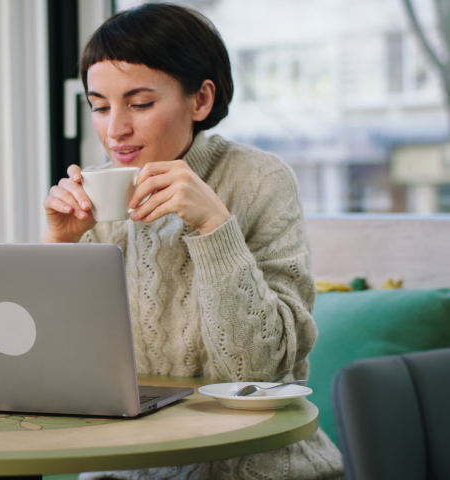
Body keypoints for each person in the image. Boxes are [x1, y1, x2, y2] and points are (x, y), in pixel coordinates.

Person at [42, 3, 344, 480]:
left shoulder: (260, 180)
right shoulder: (95, 197)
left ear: (200, 100)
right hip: (122, 466)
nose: (115, 129)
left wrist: (214, 229)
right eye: (99, 106)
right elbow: (47, 373)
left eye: (140, 104)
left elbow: (258, 373)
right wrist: (58, 247)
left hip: (250, 465)